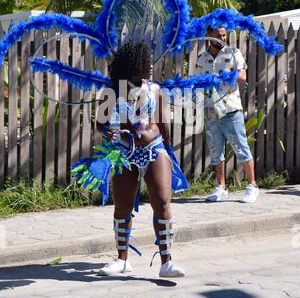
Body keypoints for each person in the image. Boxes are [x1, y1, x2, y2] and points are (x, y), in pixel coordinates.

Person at [95, 42, 186, 277]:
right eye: (146, 62)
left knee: (162, 200)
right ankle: (122, 259)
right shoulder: (111, 92)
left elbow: (163, 124)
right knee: (122, 206)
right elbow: (100, 124)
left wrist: (167, 147)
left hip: (154, 149)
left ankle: (167, 262)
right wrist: (109, 132)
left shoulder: (155, 89)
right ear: (133, 65)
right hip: (124, 151)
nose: (151, 66)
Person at [195, 27, 259, 203]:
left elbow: (242, 76)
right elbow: (197, 83)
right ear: (209, 35)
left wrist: (220, 77)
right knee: (215, 150)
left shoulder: (234, 53)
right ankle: (221, 188)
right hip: (210, 110)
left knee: (241, 146)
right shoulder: (202, 59)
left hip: (231, 108)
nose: (222, 37)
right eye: (218, 34)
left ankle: (252, 186)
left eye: (224, 34)